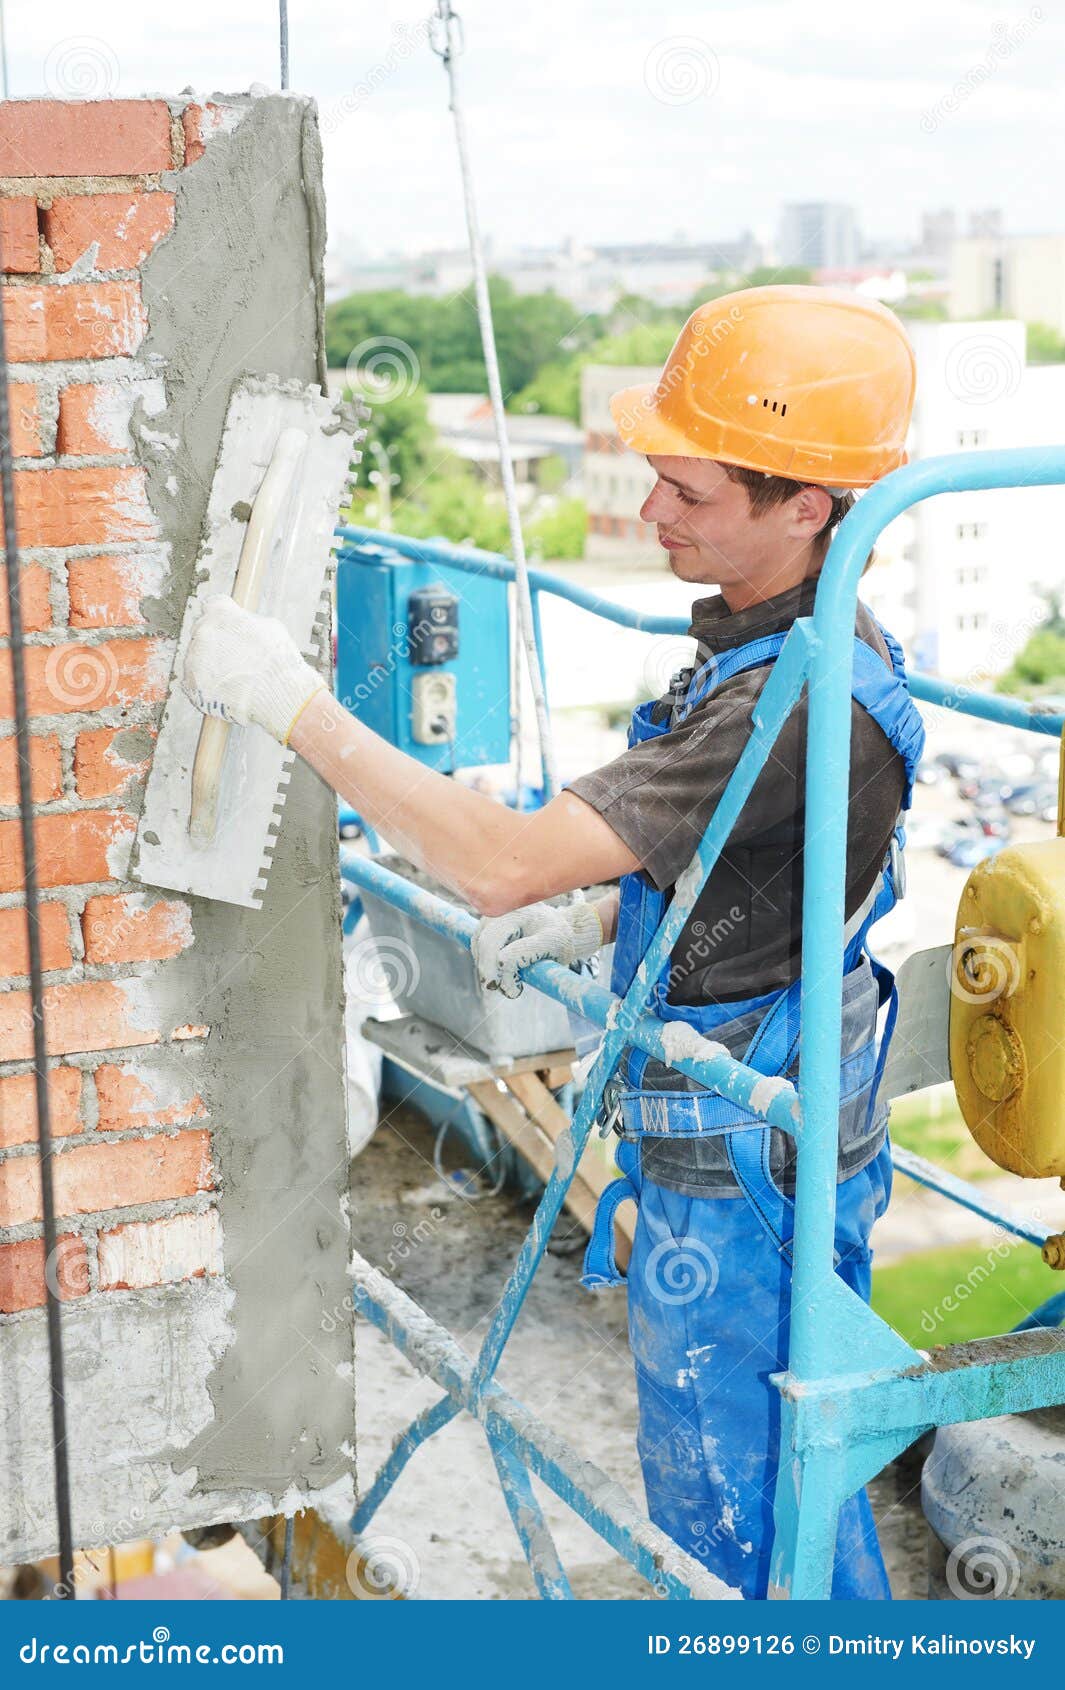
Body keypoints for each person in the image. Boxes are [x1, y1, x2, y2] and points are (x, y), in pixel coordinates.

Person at [181, 285, 924, 1600]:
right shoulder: (795, 640)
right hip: (771, 1130)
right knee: (794, 1484)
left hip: (745, 1167)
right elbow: (752, 866)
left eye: (687, 492)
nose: (650, 515)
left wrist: (292, 706)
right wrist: (591, 914)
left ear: (804, 503)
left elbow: (494, 856)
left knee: (731, 1515)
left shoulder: (798, 698)